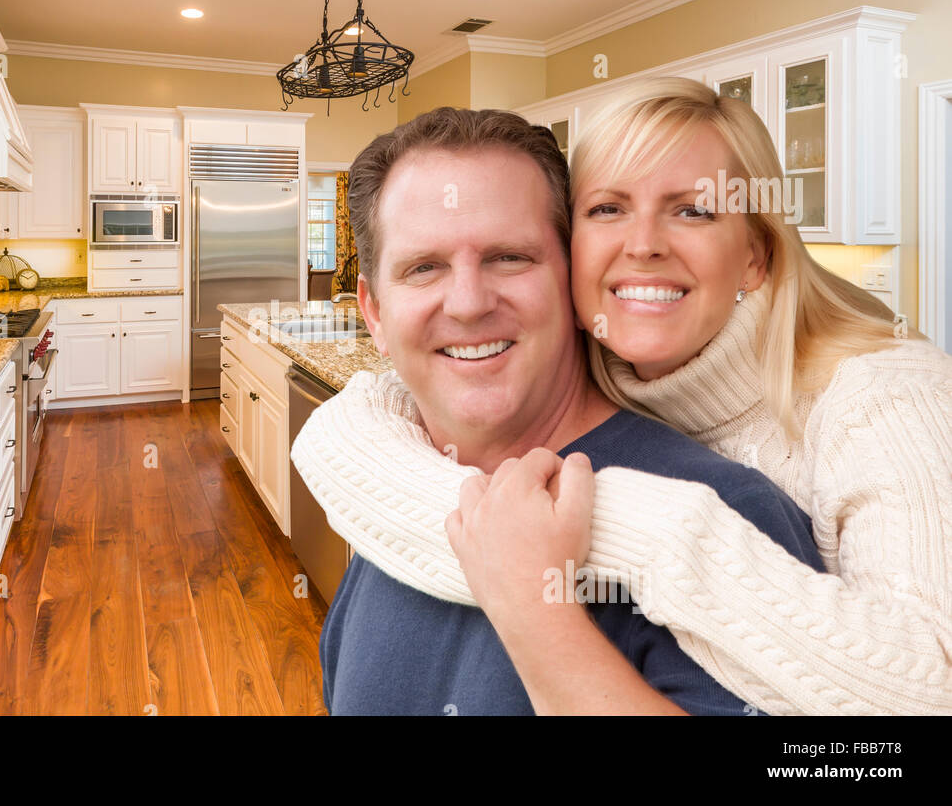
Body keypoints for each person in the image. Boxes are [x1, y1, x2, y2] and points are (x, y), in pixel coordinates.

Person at [292, 78, 952, 715]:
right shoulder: (399, 487)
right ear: (372, 312)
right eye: (423, 267)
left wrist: (611, 550)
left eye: (510, 258)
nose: (467, 303)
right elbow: (346, 431)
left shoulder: (861, 413)